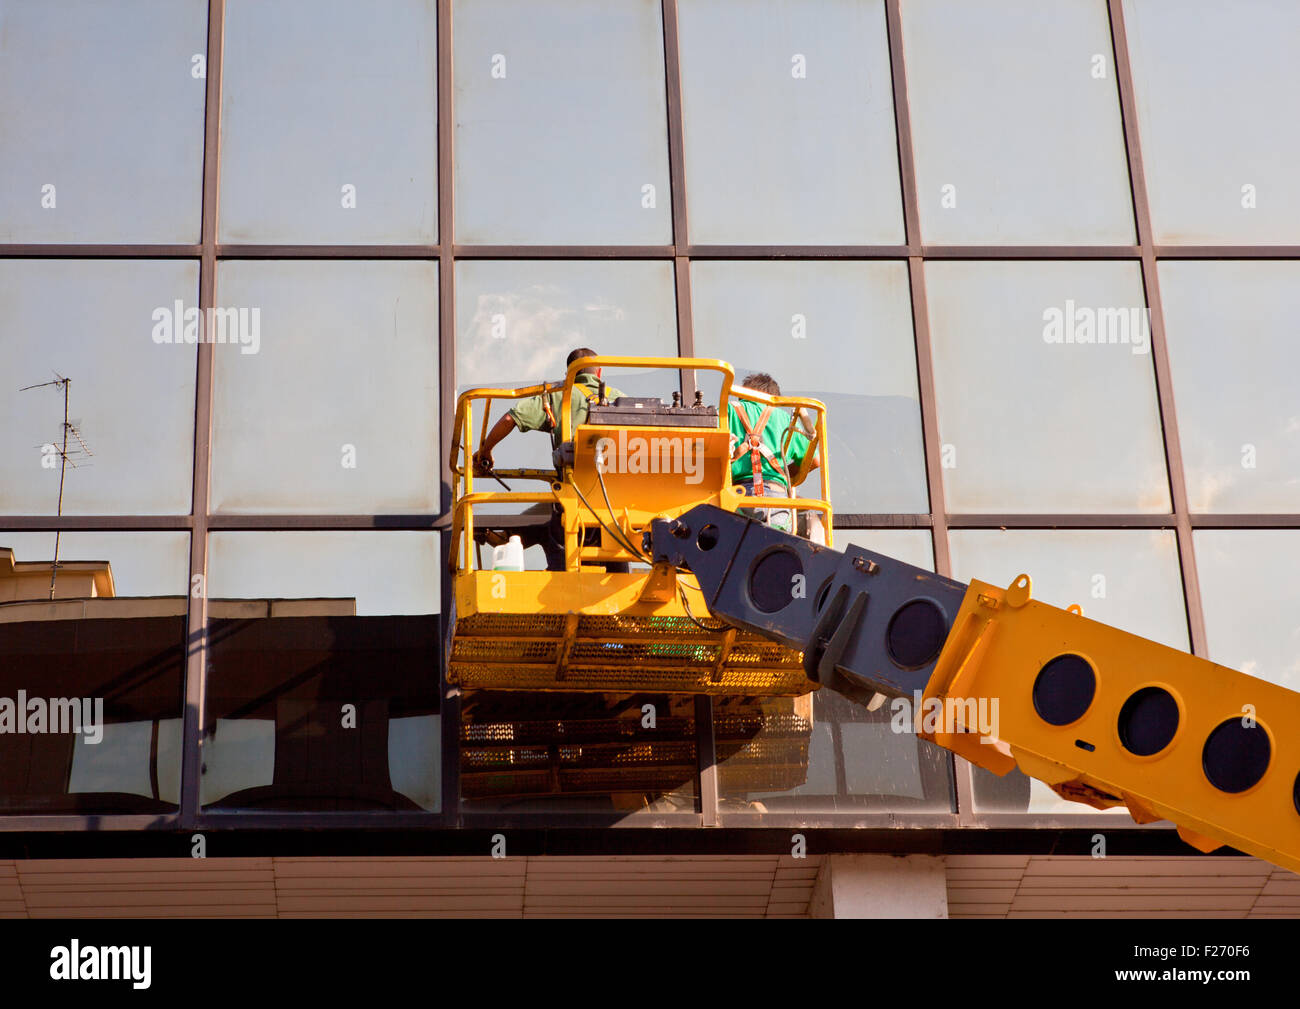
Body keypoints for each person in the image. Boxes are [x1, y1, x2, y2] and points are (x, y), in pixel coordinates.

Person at [473, 348, 627, 571]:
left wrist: (486, 451)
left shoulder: (560, 396)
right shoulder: (622, 399)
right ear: (599, 373)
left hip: (571, 505)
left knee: (548, 520)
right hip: (616, 511)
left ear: (569, 374)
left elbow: (510, 418)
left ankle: (504, 537)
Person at [727, 372, 820, 535]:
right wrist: (785, 477)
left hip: (739, 498)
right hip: (778, 500)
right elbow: (815, 460)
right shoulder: (784, 419)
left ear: (744, 393)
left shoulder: (729, 411)